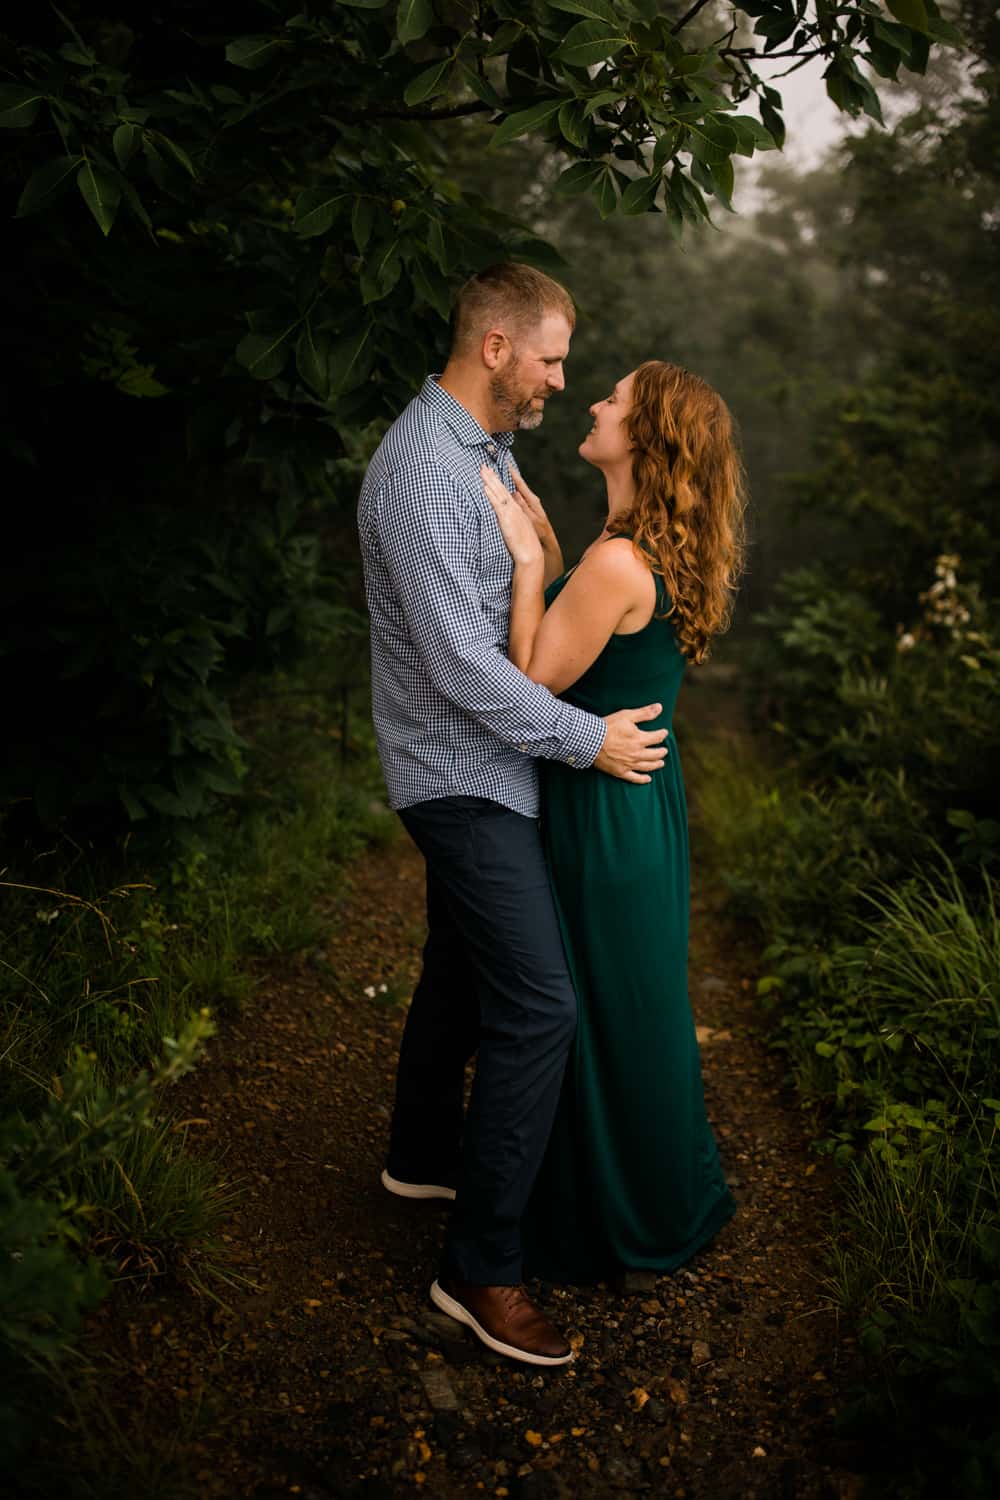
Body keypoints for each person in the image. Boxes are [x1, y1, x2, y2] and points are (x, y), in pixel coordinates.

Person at [356, 264, 671, 1367]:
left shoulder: (479, 450)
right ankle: (480, 1267)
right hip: (458, 774)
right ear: (495, 348)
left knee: (461, 963)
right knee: (538, 1008)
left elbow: (518, 605)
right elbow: (456, 668)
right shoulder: (423, 476)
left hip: (489, 765)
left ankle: (418, 1156)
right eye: (549, 359)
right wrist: (588, 740)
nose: (559, 381)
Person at [480, 359, 744, 1284]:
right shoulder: (651, 550)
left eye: (615, 400)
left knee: (595, 1015)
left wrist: (522, 560)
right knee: (636, 1008)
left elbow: (530, 681)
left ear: (646, 437)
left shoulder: (617, 562)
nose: (593, 401)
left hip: (601, 812)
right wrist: (550, 542)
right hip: (644, 810)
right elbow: (587, 637)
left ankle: (614, 1220)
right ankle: (654, 1196)